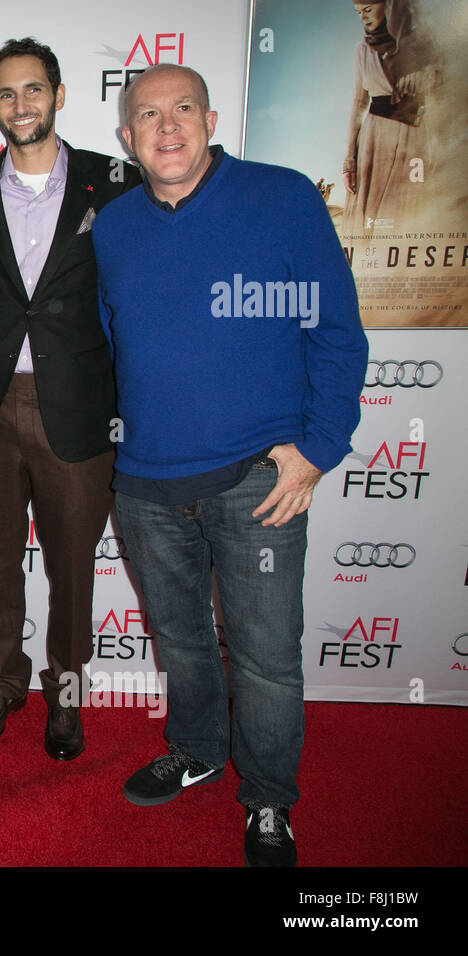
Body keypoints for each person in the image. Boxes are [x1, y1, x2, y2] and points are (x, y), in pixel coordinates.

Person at [93, 64, 367, 866]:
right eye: (148, 114)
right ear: (126, 137)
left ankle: (271, 801)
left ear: (211, 118)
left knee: (266, 654)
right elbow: (121, 336)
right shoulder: (112, 225)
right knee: (179, 643)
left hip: (257, 479)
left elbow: (337, 333)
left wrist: (319, 449)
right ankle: (200, 747)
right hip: (145, 482)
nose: (167, 126)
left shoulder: (282, 197)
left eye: (183, 109)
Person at [0, 38, 140, 756]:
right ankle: (4, 683)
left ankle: (66, 694)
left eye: (33, 90)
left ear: (60, 95)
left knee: (72, 566)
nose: (20, 105)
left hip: (82, 406)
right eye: (6, 93)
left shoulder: (117, 181)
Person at [342, 0, 433, 230]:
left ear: (388, 6)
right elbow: (358, 105)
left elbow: (446, 85)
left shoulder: (422, 45)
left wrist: (425, 78)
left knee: (408, 215)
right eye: (358, 12)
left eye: (369, 9)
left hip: (413, 137)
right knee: (372, 221)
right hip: (375, 139)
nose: (363, 17)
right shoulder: (362, 51)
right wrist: (349, 161)